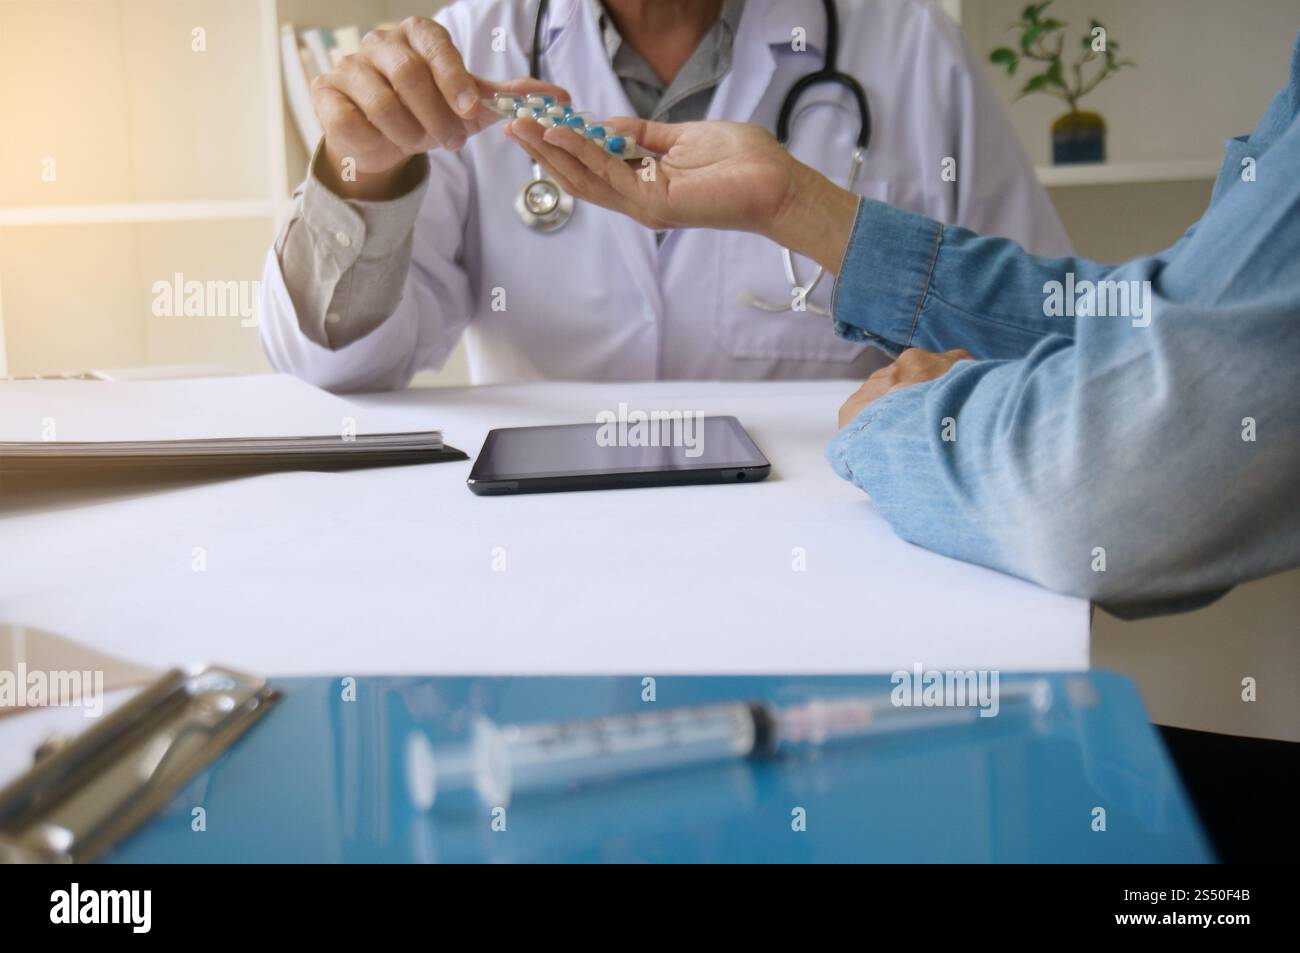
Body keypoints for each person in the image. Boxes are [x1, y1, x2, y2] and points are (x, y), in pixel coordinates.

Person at [504, 29, 1300, 616]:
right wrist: (800, 208)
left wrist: (911, 422)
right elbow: (1154, 322)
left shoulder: (916, 43)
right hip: (572, 589)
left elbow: (1110, 484)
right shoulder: (481, 40)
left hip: (825, 598)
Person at [258, 0, 1070, 393]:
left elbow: (1042, 337)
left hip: (823, 559)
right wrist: (361, 176)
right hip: (549, 559)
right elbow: (341, 364)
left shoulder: (912, 47)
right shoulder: (470, 45)